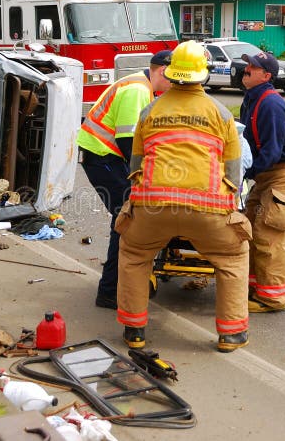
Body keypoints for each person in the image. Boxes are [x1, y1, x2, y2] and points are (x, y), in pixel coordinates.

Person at [116, 40, 250, 353]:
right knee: (232, 258)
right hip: (208, 208)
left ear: (172, 73)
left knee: (134, 256)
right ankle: (231, 334)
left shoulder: (150, 111)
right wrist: (228, 210)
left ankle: (134, 330)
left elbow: (135, 166)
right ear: (203, 75)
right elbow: (233, 171)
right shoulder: (220, 113)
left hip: (153, 207)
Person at [77, 50, 173, 310]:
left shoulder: (140, 85)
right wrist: (147, 177)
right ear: (162, 71)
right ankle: (110, 292)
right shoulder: (138, 90)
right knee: (126, 219)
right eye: (173, 79)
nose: (173, 85)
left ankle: (114, 286)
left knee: (125, 219)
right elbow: (128, 142)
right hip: (102, 156)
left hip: (105, 156)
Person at [238, 50, 285, 313]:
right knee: (247, 227)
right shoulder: (252, 98)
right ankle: (253, 285)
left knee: (270, 235)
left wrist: (241, 174)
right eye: (246, 65)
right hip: (269, 173)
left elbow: (269, 152)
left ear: (266, 75)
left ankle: (271, 298)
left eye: (251, 68)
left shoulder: (270, 104)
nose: (245, 70)